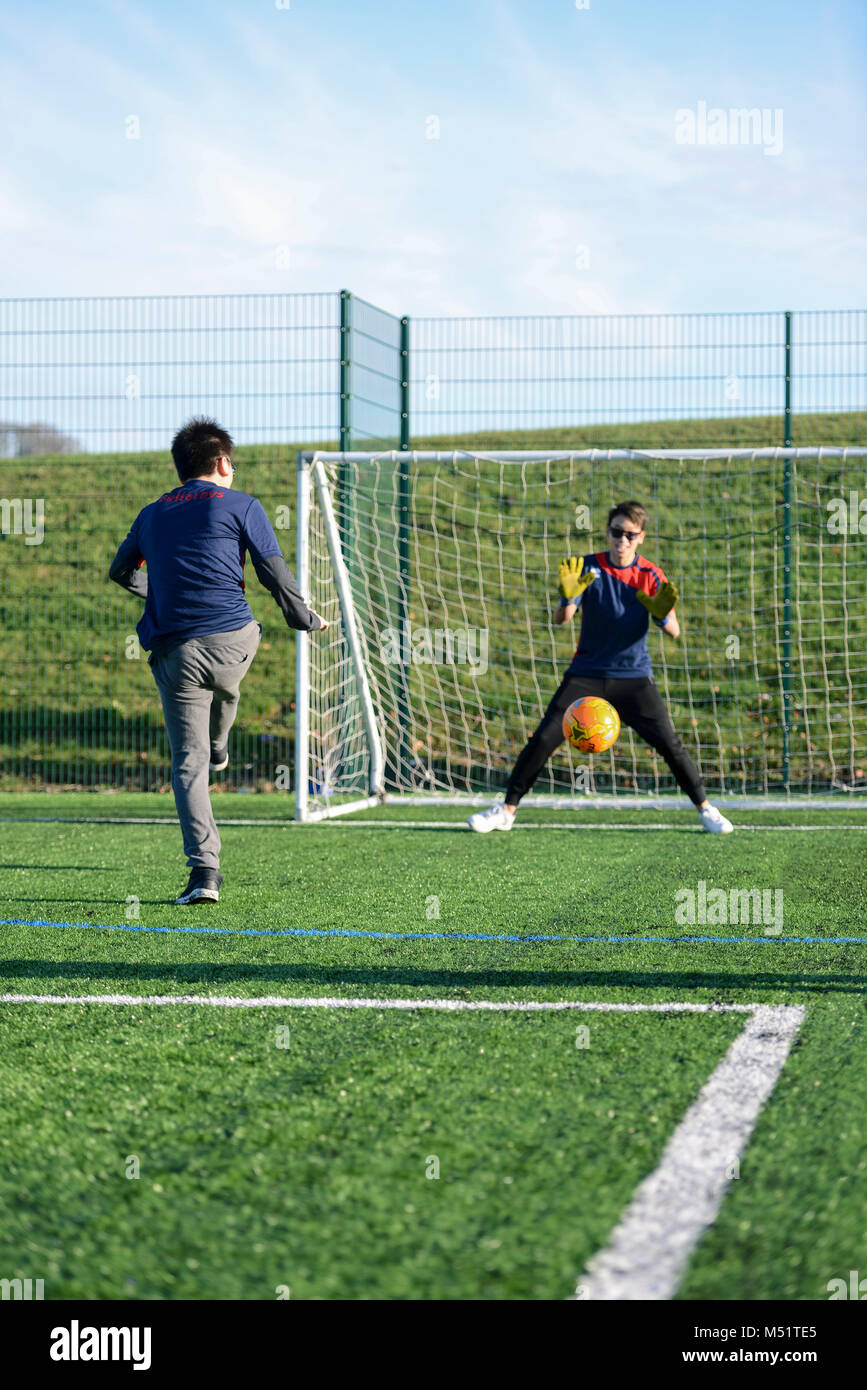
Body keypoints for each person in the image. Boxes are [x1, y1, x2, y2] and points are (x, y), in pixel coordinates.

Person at [108, 416, 329, 902]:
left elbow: (120, 570)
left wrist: (156, 594)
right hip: (235, 642)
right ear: (223, 462)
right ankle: (221, 742)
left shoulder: (151, 513)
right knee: (226, 690)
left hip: (176, 649)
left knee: (189, 763)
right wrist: (304, 618)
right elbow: (274, 571)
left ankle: (204, 874)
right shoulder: (241, 505)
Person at [468, 500, 733, 834]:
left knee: (669, 743)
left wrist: (662, 612)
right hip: (586, 675)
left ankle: (706, 809)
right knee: (544, 737)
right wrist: (567, 598)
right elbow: (561, 621)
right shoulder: (587, 568)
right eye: (615, 532)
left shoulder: (650, 575)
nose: (622, 540)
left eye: (630, 535)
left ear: (641, 538)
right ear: (607, 533)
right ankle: (505, 811)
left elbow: (674, 631)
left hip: (633, 677)